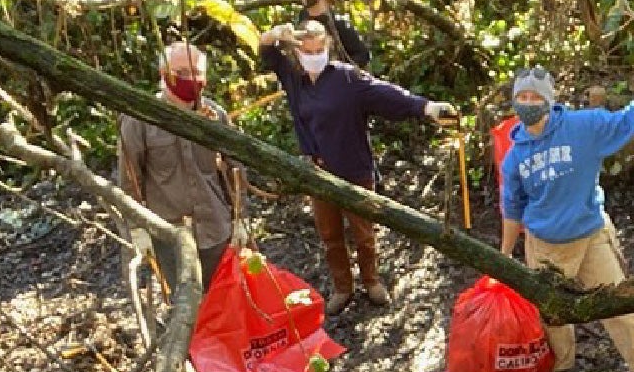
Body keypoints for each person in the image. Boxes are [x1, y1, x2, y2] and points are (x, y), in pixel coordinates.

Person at [499, 51, 634, 372]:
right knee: (553, 313)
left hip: (590, 233)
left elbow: (626, 122)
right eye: (522, 96)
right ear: (515, 101)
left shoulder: (582, 127)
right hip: (545, 244)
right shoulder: (514, 156)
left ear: (548, 100)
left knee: (620, 304)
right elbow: (512, 208)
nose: (528, 102)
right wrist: (503, 255)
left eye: (535, 96)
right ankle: (563, 367)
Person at [260, 16, 457, 315]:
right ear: (298, 53)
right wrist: (276, 32)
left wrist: (427, 108)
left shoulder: (347, 78)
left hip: (354, 169)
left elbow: (387, 94)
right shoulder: (293, 79)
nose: (314, 57)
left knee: (364, 232)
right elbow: (265, 50)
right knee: (330, 235)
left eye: (319, 50)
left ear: (327, 48)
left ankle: (371, 281)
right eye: (307, 51)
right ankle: (343, 287)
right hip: (317, 172)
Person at [117, 40, 242, 291]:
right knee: (188, 310)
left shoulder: (215, 115)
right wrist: (137, 230)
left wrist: (240, 218)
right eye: (182, 73)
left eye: (196, 72)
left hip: (216, 231)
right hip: (171, 236)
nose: (190, 79)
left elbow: (234, 170)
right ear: (164, 74)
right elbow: (129, 179)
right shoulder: (139, 118)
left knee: (228, 305)